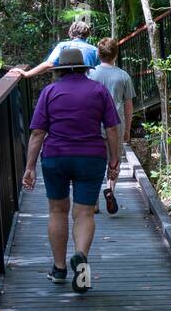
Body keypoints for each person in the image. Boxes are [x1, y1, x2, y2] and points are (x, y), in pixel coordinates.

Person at [21, 46, 121, 293]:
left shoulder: (49, 91)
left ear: (61, 70)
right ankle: (81, 257)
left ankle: (59, 269)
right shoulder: (99, 90)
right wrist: (114, 160)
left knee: (57, 210)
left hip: (56, 157)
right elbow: (111, 130)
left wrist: (30, 167)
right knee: (85, 212)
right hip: (91, 157)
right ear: (84, 68)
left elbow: (37, 132)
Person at [87, 37, 135, 214]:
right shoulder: (123, 76)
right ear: (116, 54)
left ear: (98, 54)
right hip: (116, 124)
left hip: (93, 124)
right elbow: (128, 105)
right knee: (114, 161)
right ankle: (110, 191)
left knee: (94, 162)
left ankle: (93, 203)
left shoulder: (90, 74)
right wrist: (128, 130)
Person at [10, 20, 100, 81]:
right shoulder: (95, 50)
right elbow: (100, 70)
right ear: (87, 35)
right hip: (88, 88)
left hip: (65, 87)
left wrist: (27, 74)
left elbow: (49, 64)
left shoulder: (63, 46)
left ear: (70, 33)